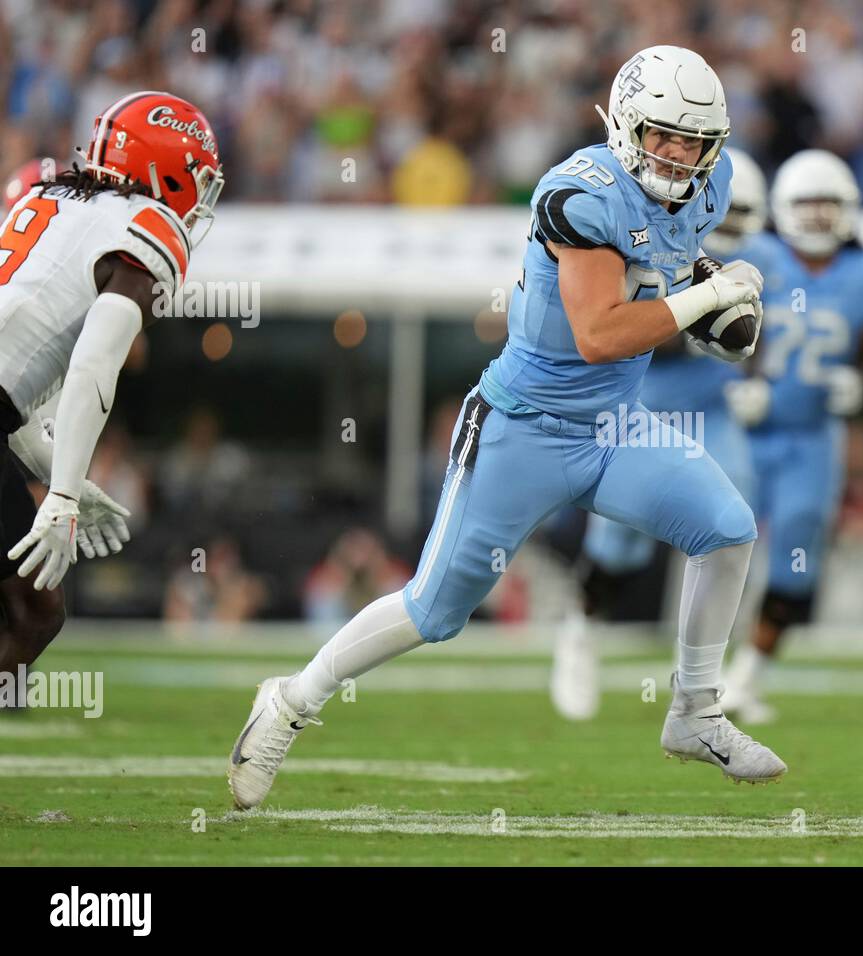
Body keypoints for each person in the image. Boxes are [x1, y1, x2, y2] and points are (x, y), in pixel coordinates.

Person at [229, 47, 786, 811]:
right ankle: (289, 701)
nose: (679, 156)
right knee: (434, 610)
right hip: (523, 426)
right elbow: (599, 333)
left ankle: (695, 711)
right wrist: (709, 296)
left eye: (693, 143)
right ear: (627, 127)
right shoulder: (578, 194)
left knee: (728, 528)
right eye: (664, 137)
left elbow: (671, 265)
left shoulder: (709, 186)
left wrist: (713, 307)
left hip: (614, 426)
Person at [0, 91, 223, 678]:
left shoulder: (46, 196)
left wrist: (57, 472)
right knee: (33, 611)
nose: (200, 194)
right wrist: (65, 496)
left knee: (29, 606)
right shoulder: (148, 229)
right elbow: (94, 365)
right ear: (166, 169)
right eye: (197, 176)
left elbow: (11, 390)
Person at [549, 149, 768, 721]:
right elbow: (624, 328)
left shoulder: (761, 256)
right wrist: (695, 313)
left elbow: (760, 337)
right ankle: (581, 630)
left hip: (712, 406)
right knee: (617, 543)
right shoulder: (641, 230)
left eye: (740, 214)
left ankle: (701, 674)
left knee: (733, 514)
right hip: (644, 398)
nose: (727, 226)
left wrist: (748, 362)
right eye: (723, 210)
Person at [721, 149, 863, 724]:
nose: (818, 218)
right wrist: (734, 381)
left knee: (796, 557)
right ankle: (695, 672)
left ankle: (746, 678)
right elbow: (711, 327)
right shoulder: (756, 256)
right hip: (744, 432)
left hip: (814, 438)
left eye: (829, 205)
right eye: (807, 205)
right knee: (718, 543)